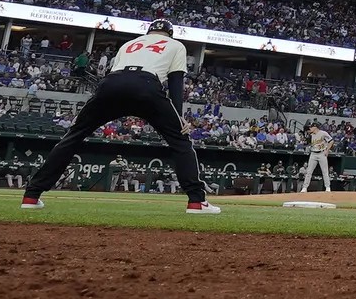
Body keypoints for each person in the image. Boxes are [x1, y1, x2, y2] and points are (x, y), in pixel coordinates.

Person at [21, 19, 219, 214]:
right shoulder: (176, 45)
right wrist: (180, 117)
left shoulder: (130, 44)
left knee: (73, 137)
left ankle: (31, 195)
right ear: (170, 33)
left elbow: (113, 75)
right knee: (180, 141)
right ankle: (196, 201)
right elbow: (176, 81)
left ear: (149, 31)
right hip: (146, 85)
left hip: (111, 84)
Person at [300, 124, 334, 193]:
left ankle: (327, 187)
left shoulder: (323, 133)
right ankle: (304, 188)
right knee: (309, 171)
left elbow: (331, 141)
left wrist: (327, 150)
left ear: (315, 127)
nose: (310, 129)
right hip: (313, 153)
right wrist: (305, 138)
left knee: (325, 172)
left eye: (311, 127)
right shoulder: (311, 135)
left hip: (322, 153)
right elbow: (306, 143)